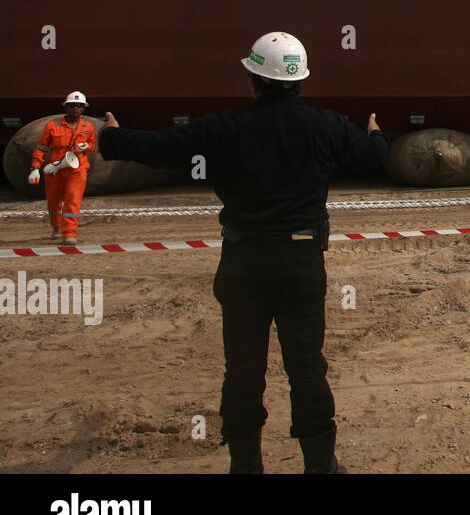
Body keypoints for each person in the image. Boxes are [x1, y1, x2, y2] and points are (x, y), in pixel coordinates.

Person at [98, 32, 389, 474]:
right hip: (301, 263)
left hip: (242, 263)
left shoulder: (224, 128)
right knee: (307, 367)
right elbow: (371, 157)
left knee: (243, 371)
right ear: (300, 80)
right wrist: (377, 134)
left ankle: (246, 466)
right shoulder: (326, 125)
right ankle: (321, 465)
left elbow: (158, 148)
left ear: (252, 76)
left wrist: (113, 137)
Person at [28, 91, 95, 244]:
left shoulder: (88, 127)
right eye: (72, 105)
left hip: (77, 169)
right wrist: (35, 168)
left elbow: (92, 145)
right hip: (55, 169)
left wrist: (86, 146)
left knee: (72, 199)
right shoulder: (52, 125)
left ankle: (69, 233)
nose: (75, 109)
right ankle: (56, 227)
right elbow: (41, 148)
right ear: (66, 107)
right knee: (53, 201)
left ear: (84, 108)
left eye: (79, 106)